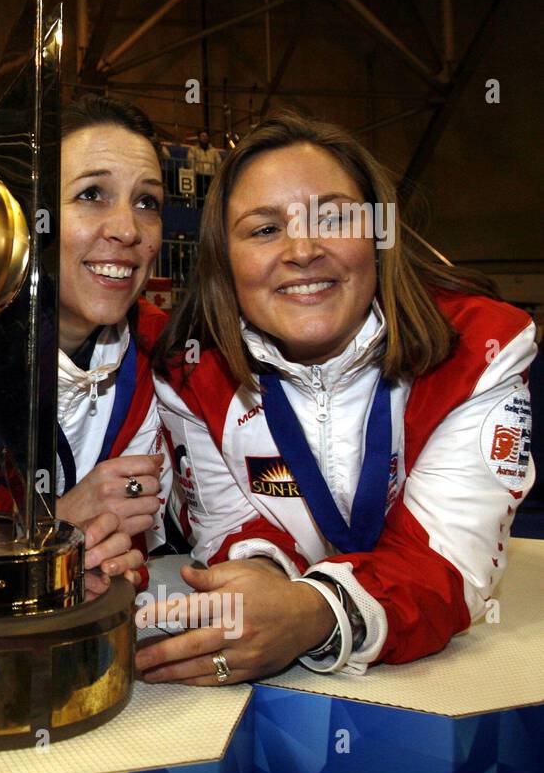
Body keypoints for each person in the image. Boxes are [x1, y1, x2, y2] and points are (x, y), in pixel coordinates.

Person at [148, 109, 536, 684]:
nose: (303, 250)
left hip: (445, 679)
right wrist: (257, 577)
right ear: (224, 262)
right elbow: (230, 523)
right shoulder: (191, 372)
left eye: (332, 219)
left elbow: (447, 560)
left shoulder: (477, 351)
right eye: (264, 229)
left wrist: (310, 614)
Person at [0, 95, 173, 593]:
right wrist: (51, 527)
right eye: (92, 194)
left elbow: (155, 543)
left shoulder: (170, 350)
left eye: (148, 202)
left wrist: (109, 552)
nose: (127, 229)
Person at [186, 128, 222, 200]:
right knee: (199, 195)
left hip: (211, 176)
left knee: (211, 195)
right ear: (199, 138)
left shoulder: (214, 151)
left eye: (206, 136)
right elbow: (190, 161)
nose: (204, 138)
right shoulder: (193, 149)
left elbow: (219, 163)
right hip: (198, 176)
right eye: (202, 136)